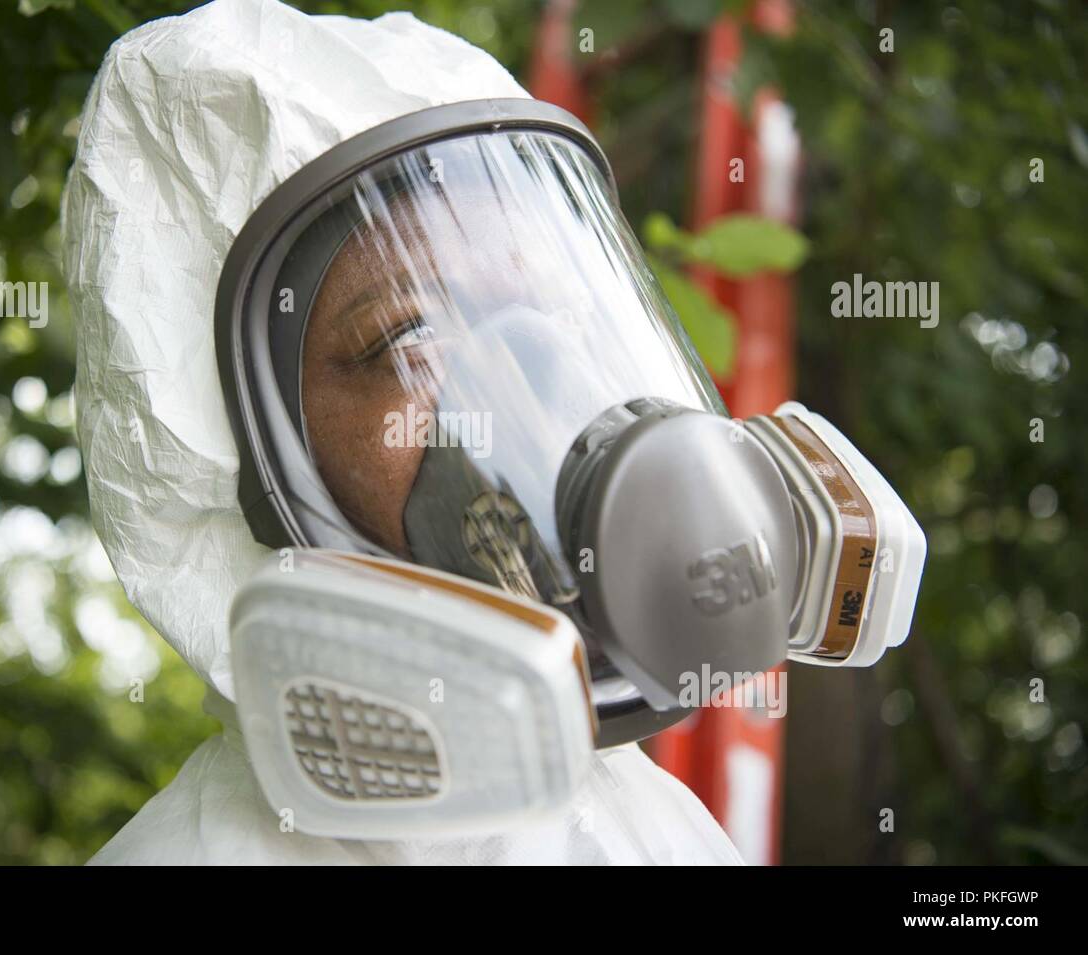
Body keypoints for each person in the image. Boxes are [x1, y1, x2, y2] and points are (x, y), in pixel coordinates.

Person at [63, 0, 745, 865]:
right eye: (408, 337)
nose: (531, 389)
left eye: (554, 319)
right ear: (242, 463)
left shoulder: (658, 824)